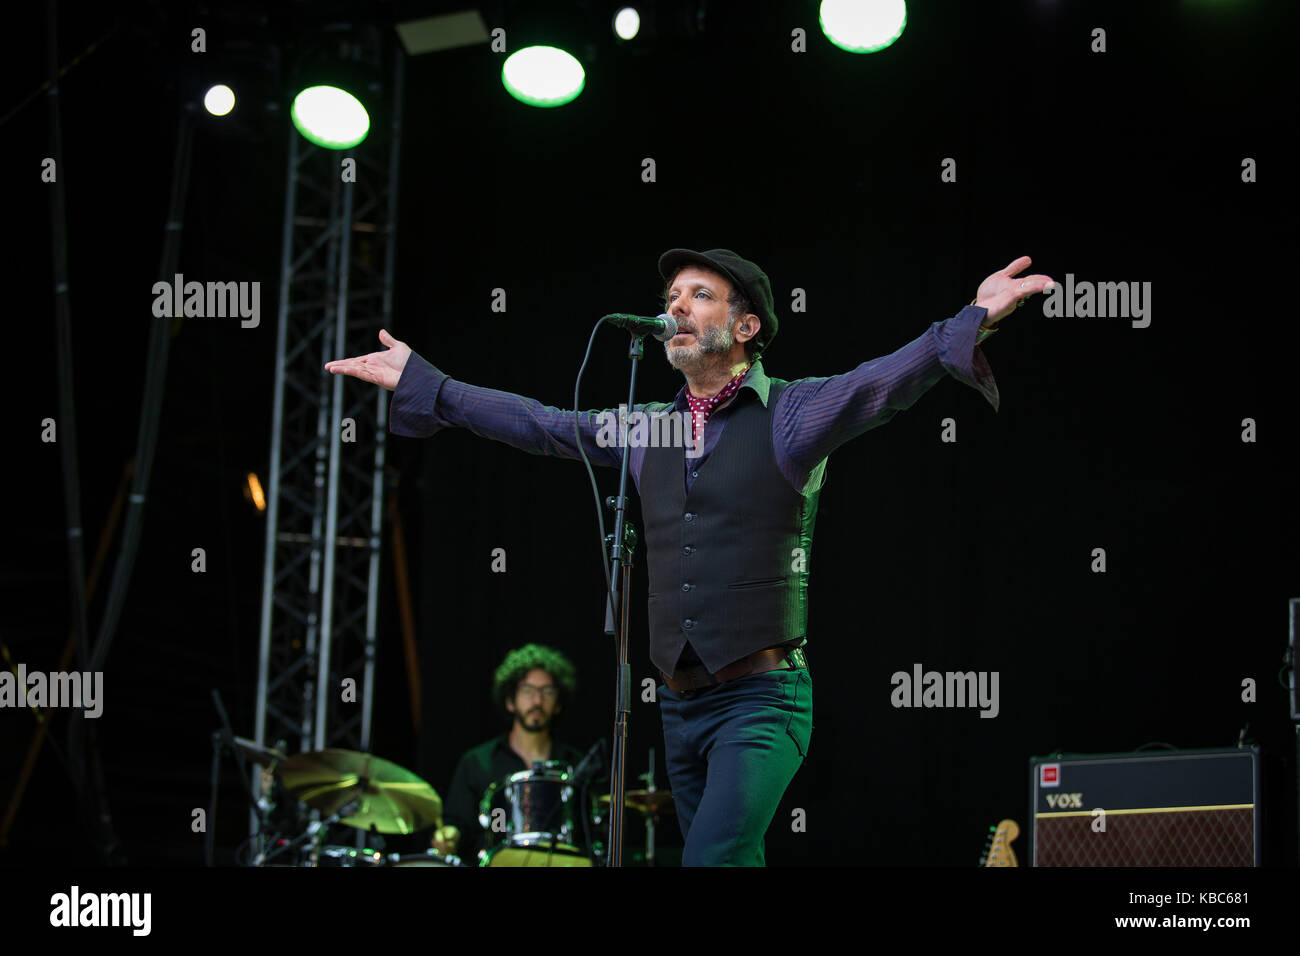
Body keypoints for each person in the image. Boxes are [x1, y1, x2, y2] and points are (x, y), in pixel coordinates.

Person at [326, 248, 1053, 865]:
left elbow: (876, 385)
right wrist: (433, 385)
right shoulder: (649, 429)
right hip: (678, 706)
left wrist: (971, 318)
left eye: (699, 295)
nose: (677, 306)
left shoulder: (790, 417)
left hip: (762, 701)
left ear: (745, 327)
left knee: (711, 860)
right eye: (671, 296)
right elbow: (541, 424)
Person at [430, 643, 587, 862]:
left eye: (547, 692)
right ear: (510, 700)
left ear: (558, 703)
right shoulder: (477, 763)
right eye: (527, 690)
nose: (537, 700)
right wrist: (450, 835)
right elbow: (458, 823)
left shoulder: (576, 765)